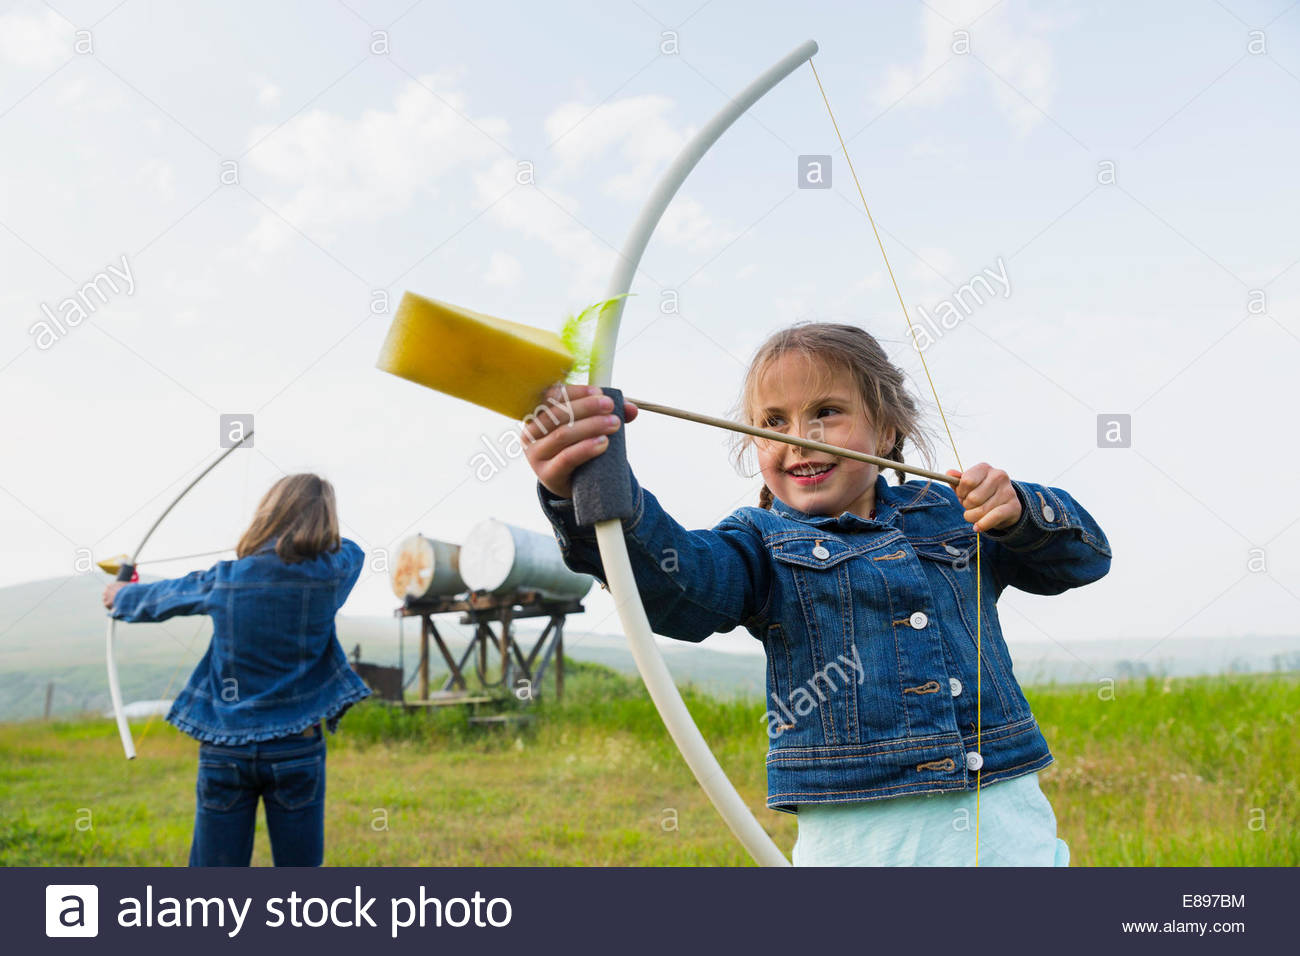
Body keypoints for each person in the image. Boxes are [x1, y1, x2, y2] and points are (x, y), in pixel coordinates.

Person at [524, 323, 1111, 866]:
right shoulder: (760, 543)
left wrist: (1019, 513)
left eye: (826, 412)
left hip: (1006, 831)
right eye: (773, 422)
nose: (798, 440)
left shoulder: (954, 514)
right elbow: (681, 587)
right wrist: (587, 490)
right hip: (857, 846)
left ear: (886, 428)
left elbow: (1083, 560)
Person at [102, 473, 371, 866]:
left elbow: (165, 597)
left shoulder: (225, 579)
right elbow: (354, 550)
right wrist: (316, 529)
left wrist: (121, 595)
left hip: (226, 747)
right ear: (324, 520)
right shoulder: (330, 574)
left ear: (269, 514)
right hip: (297, 744)